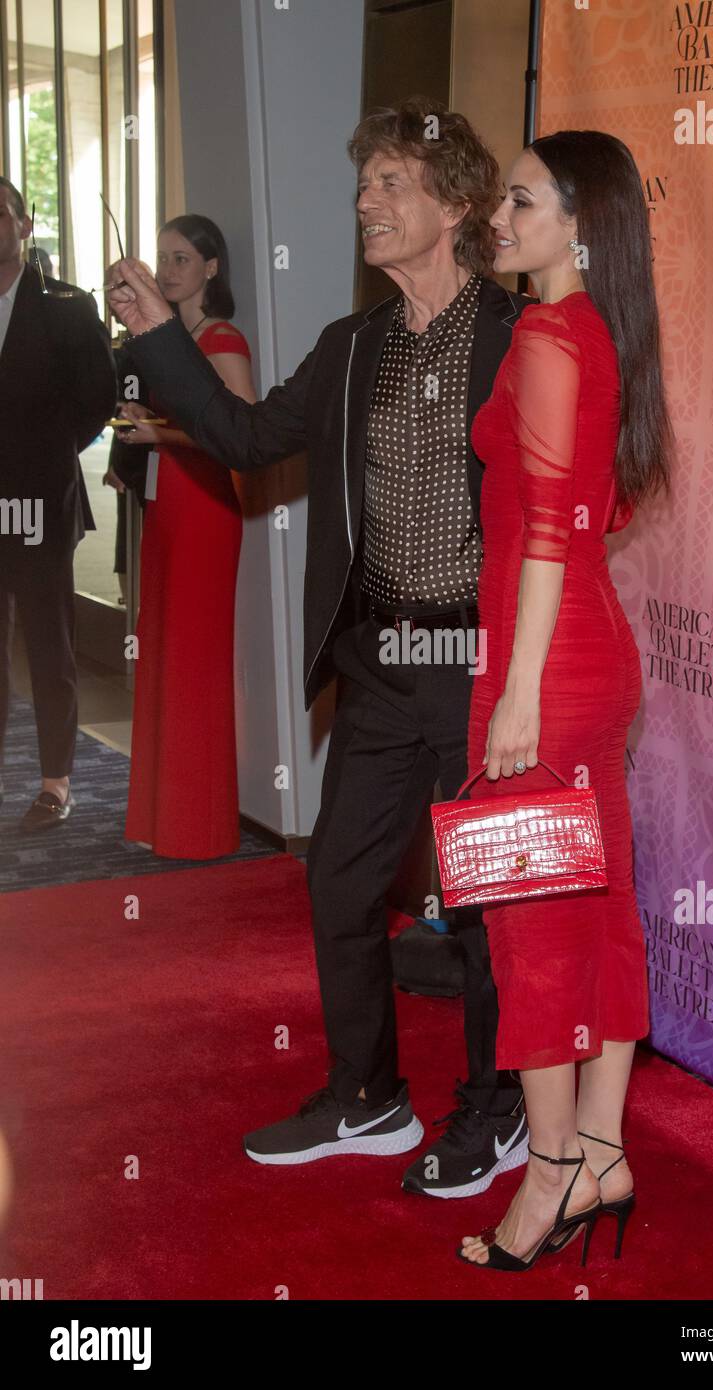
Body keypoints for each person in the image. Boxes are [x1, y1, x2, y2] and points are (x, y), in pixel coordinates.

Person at [108, 100, 532, 1197]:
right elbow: (246, 438)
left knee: (486, 906)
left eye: (390, 183)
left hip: (485, 670)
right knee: (339, 882)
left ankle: (499, 1110)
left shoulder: (519, 336)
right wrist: (158, 334)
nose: (364, 202)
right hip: (379, 664)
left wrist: (534, 675)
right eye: (362, 184)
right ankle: (367, 1094)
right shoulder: (351, 348)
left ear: (456, 205)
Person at [456, 131, 672, 1270]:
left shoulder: (546, 334)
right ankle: (599, 1152)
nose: (498, 217)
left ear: (580, 223)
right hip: (593, 656)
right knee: (597, 907)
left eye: (522, 201)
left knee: (530, 924)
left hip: (542, 669)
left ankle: (546, 1178)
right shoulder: (599, 332)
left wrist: (515, 694)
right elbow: (602, 508)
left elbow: (546, 529)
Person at [118, 215, 255, 859]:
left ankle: (198, 829)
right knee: (163, 653)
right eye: (163, 258)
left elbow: (240, 427)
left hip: (204, 506)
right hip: (168, 499)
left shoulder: (223, 336)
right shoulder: (178, 336)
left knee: (193, 661)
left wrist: (161, 432)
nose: (168, 270)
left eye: (181, 259)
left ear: (211, 267)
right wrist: (150, 420)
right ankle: (163, 820)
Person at [0, 176, 116, 830]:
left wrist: (46, 453)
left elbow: (97, 395)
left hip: (42, 503)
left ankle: (56, 783)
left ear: (24, 225)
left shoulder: (67, 306)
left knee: (49, 646)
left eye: (0, 214)